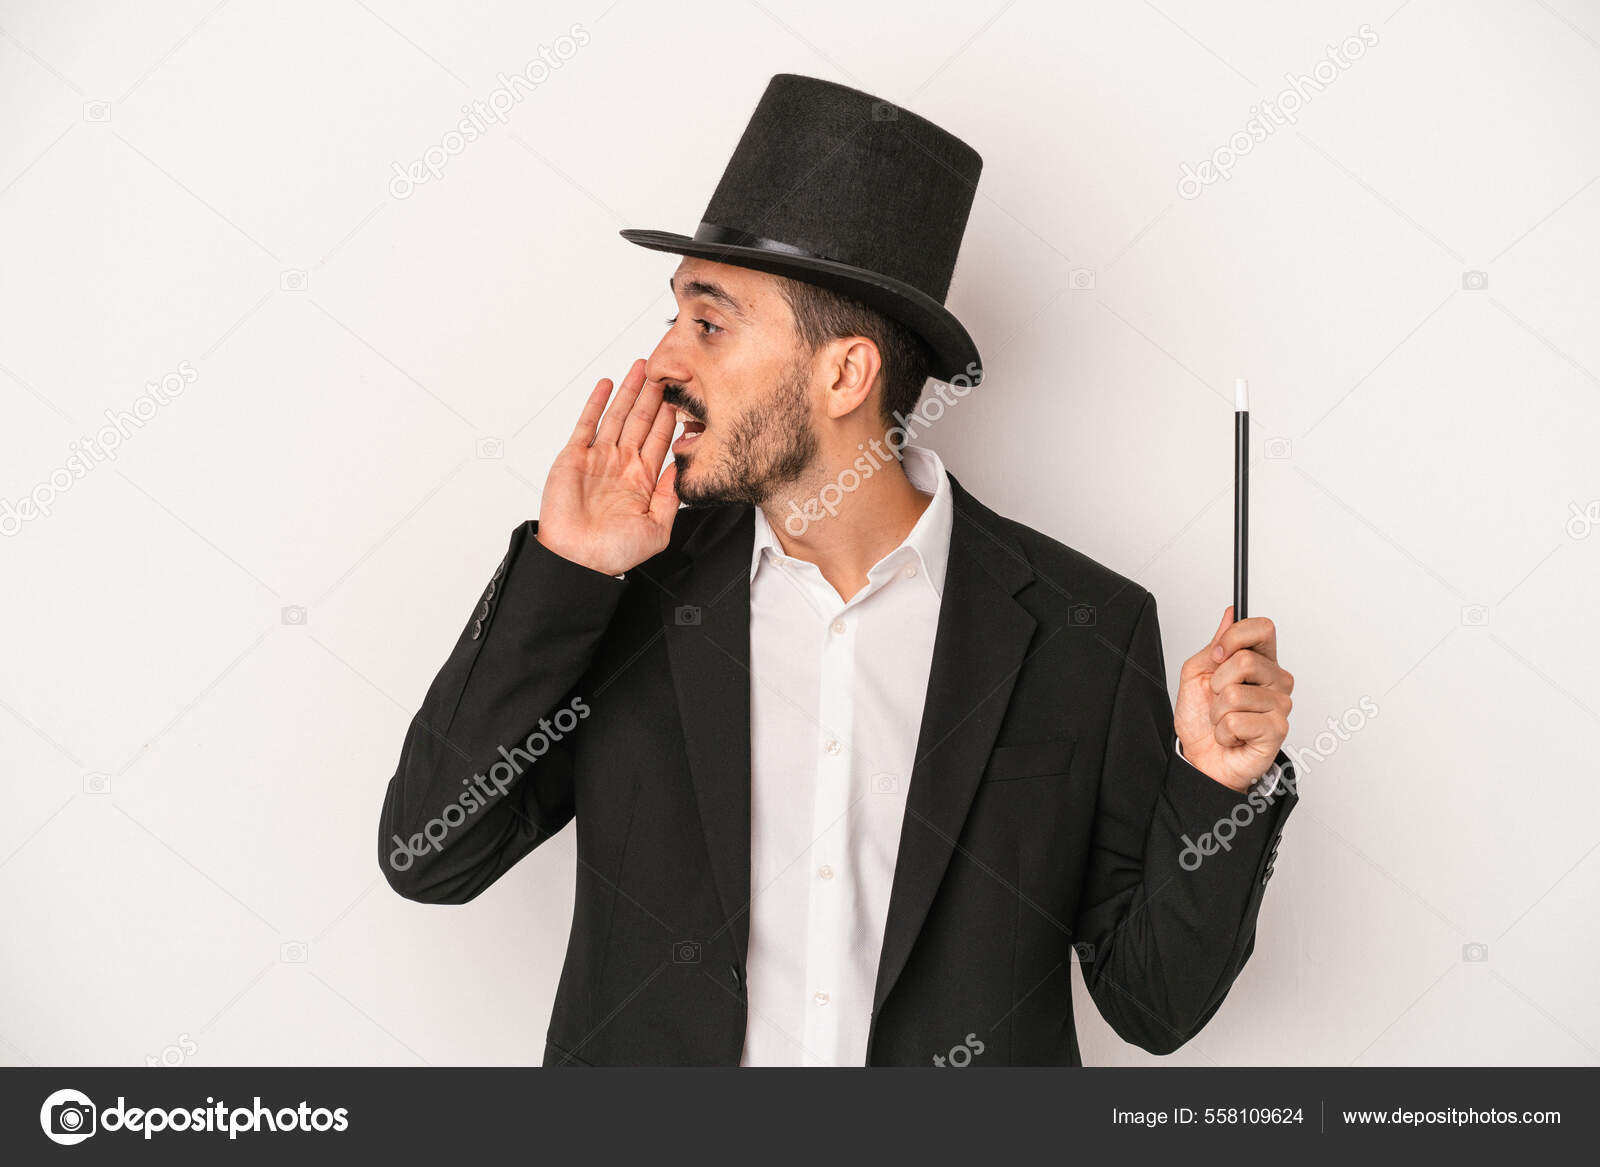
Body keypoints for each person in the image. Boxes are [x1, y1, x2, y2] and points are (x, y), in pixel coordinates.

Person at [379, 74, 1297, 1066]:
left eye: (709, 322)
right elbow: (430, 856)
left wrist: (1218, 783)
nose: (660, 362)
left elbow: (1152, 1003)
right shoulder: (629, 595)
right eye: (674, 315)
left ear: (845, 375)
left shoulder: (1083, 626)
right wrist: (567, 570)